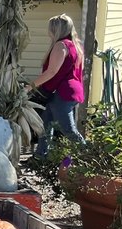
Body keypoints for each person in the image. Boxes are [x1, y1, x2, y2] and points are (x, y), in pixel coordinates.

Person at [31, 13, 86, 157]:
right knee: (45, 125)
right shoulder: (76, 45)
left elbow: (52, 72)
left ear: (55, 30)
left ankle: (88, 155)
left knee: (68, 129)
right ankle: (40, 157)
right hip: (71, 91)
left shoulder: (61, 45)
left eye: (50, 29)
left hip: (63, 93)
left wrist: (29, 87)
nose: (48, 32)